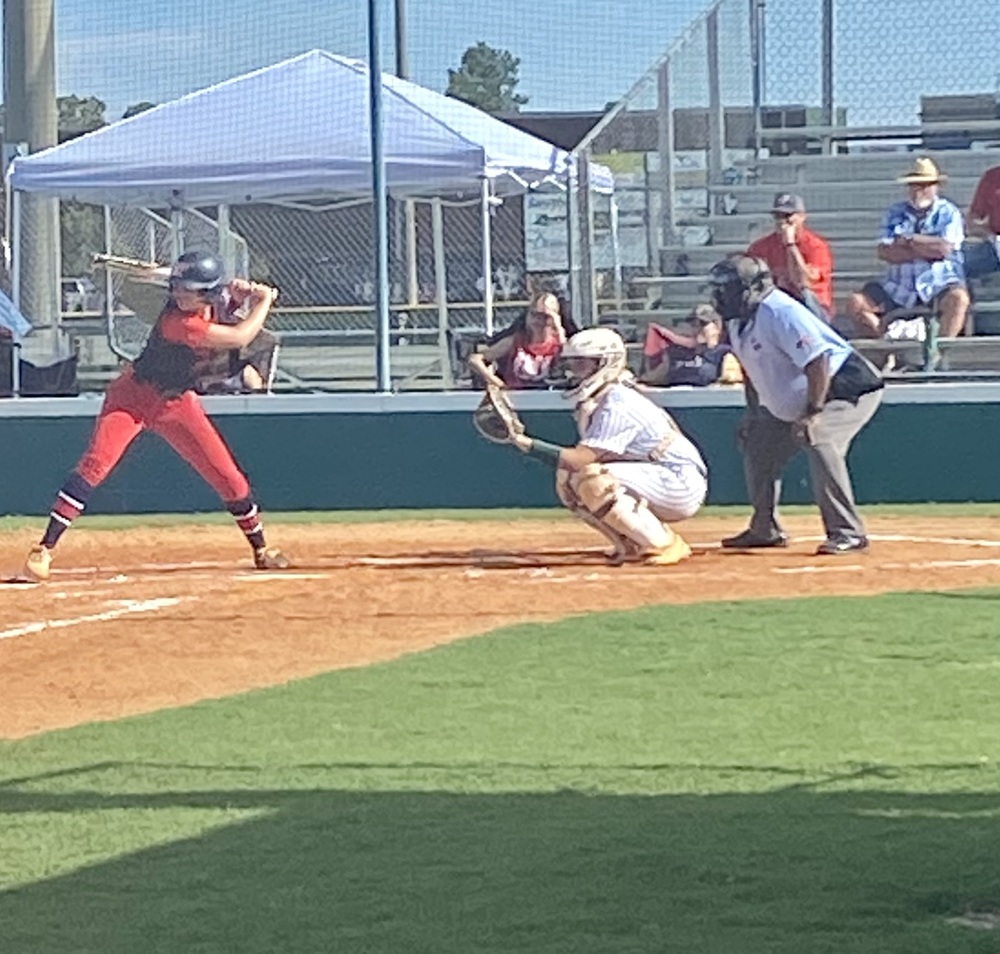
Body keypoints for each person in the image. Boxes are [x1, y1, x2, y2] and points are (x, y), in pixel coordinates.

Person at [20, 251, 290, 582]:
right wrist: (262, 301)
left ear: (206, 291)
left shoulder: (212, 302)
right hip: (132, 396)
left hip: (176, 403)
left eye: (185, 288)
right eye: (176, 286)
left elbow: (227, 315)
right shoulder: (179, 321)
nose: (176, 293)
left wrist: (237, 298)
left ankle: (261, 549)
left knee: (228, 476)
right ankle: (44, 550)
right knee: (96, 464)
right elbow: (240, 337)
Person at [710, 255, 883, 555]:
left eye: (728, 288)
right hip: (802, 397)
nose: (721, 296)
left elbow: (818, 360)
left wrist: (812, 413)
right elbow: (751, 369)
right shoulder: (737, 321)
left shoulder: (780, 311)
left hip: (844, 387)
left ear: (750, 288)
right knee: (758, 443)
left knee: (820, 438)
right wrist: (754, 413)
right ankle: (765, 528)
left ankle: (848, 532)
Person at [508, 327, 708, 566]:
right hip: (658, 473)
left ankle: (663, 543)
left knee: (590, 477)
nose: (574, 371)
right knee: (568, 477)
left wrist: (527, 443)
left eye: (583, 363)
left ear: (605, 363)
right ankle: (630, 542)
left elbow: (581, 459)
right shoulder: (603, 398)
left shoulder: (618, 400)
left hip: (678, 480)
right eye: (573, 363)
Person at [846, 157, 969, 339]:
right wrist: (927, 248)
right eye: (914, 185)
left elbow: (943, 250)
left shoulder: (949, 212)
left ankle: (936, 358)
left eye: (924, 185)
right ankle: (887, 353)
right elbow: (885, 252)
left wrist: (909, 240)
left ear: (936, 187)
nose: (918, 191)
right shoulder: (895, 212)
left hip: (937, 284)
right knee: (855, 303)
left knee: (959, 299)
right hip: (897, 288)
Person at [746, 193, 834, 319]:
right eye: (778, 216)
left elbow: (803, 281)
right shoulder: (760, 247)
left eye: (788, 216)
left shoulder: (816, 246)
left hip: (811, 309)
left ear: (802, 217)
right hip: (777, 307)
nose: (782, 221)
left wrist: (790, 245)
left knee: (806, 294)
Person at [468, 291, 574, 389]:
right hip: (517, 399)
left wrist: (558, 328)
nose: (538, 320)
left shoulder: (559, 344)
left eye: (544, 316)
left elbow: (571, 359)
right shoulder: (516, 341)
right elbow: (475, 360)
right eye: (534, 314)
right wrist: (497, 382)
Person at [639, 303, 742, 387]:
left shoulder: (724, 353)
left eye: (703, 323)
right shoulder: (674, 350)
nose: (697, 327)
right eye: (693, 323)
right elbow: (654, 378)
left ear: (716, 326)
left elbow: (731, 382)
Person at [963, 162, 1000, 280]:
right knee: (958, 263)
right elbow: (972, 218)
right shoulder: (992, 177)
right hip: (994, 244)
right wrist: (990, 235)